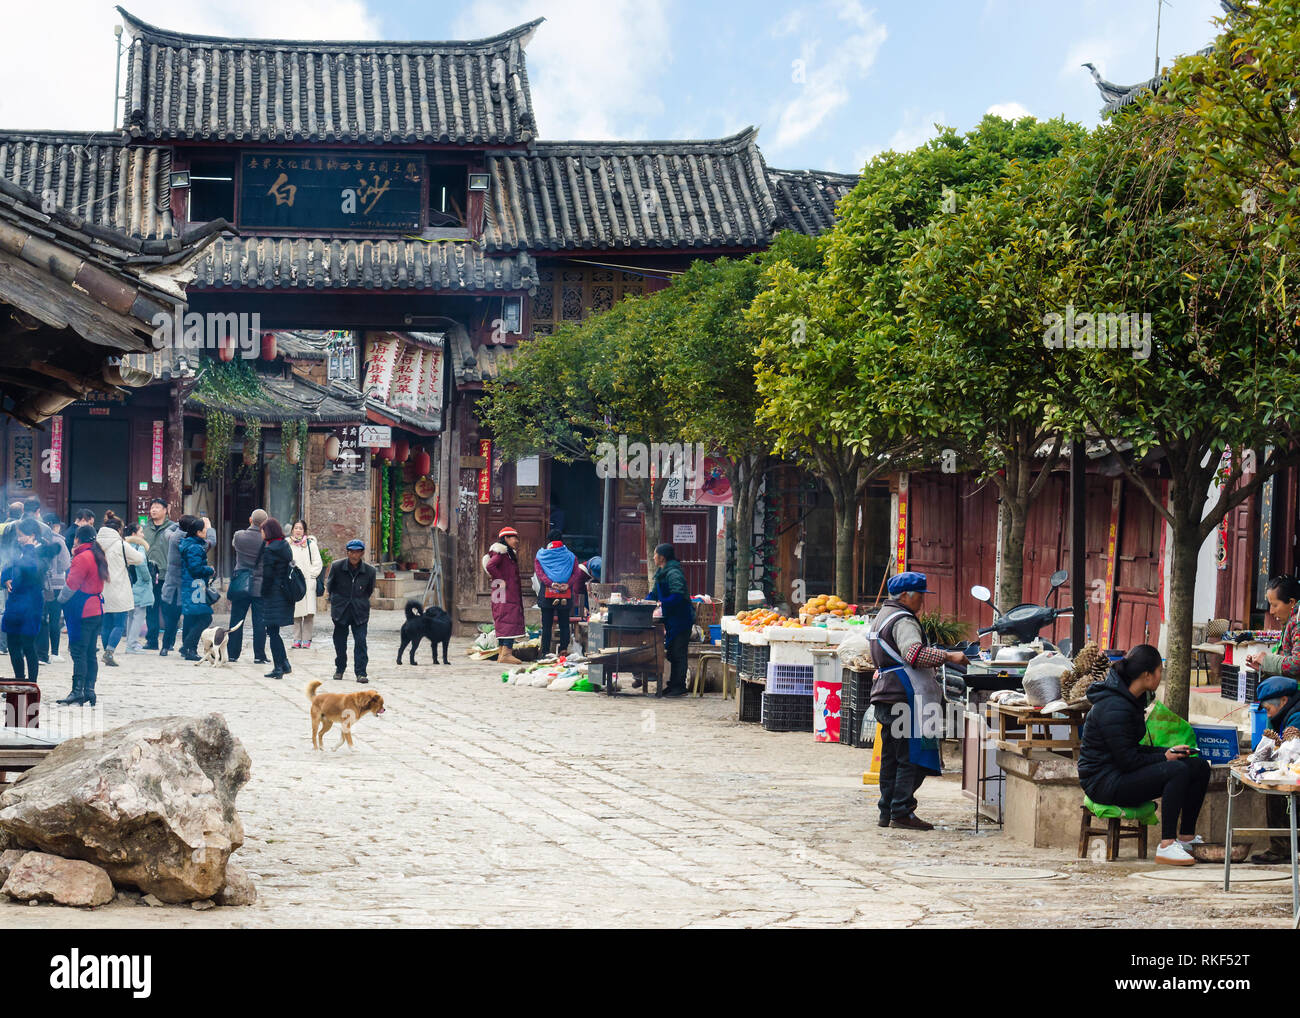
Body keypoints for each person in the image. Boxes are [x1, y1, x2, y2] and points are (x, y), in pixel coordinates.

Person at [1077, 644, 1210, 866]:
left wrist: (1169, 752)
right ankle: (1167, 844)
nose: (1161, 675)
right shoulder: (1114, 707)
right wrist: (1164, 758)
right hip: (1103, 781)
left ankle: (1186, 838)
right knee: (1176, 770)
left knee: (1198, 766)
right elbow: (1128, 760)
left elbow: (1131, 750)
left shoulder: (1131, 700)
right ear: (1147, 675)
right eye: (1160, 670)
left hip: (1119, 771)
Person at [867, 571, 964, 830]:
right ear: (907, 595)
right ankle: (901, 811)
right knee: (911, 756)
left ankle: (886, 810)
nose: (922, 600)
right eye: (920, 595)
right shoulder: (903, 620)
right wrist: (948, 656)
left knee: (891, 756)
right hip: (904, 697)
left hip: (885, 695)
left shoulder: (881, 617)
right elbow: (914, 654)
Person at [1247, 675, 1300, 864]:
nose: (1268, 714)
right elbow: (1269, 740)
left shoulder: (1296, 715)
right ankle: (1283, 845)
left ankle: (1283, 847)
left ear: (1284, 701)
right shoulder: (1279, 713)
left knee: (1279, 789)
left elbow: (1290, 750)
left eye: (1269, 709)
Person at [57, 526, 108, 706]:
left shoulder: (82, 557)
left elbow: (71, 585)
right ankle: (90, 691)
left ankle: (77, 691)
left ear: (78, 539)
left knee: (78, 652)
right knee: (90, 652)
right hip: (96, 609)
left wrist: (60, 600)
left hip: (82, 609)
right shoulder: (97, 554)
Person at [2, 518, 49, 683]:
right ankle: (19, 680)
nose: (19, 539)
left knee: (28, 645)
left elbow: (35, 572)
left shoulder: (42, 550)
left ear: (32, 535)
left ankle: (32, 682)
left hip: (31, 605)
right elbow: (7, 568)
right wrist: (5, 579)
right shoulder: (17, 549)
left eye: (22, 536)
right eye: (18, 535)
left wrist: (29, 548)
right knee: (13, 645)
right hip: (14, 604)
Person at [159, 515, 213, 656]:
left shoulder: (172, 537)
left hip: (172, 583)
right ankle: (187, 646)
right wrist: (209, 526)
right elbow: (212, 541)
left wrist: (180, 521)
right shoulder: (196, 544)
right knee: (192, 617)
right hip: (190, 584)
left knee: (172, 618)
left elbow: (167, 530)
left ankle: (165, 647)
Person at [96, 511, 144, 667]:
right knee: (119, 624)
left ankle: (106, 652)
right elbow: (139, 558)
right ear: (118, 530)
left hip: (101, 589)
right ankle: (109, 652)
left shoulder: (95, 544)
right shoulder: (121, 544)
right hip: (119, 589)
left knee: (106, 624)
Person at [327, 539, 376, 683]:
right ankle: (340, 668)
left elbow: (369, 590)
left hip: (360, 611)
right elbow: (330, 586)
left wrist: (359, 600)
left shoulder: (369, 571)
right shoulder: (337, 567)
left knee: (361, 642)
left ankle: (361, 672)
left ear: (362, 553)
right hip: (341, 610)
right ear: (347, 552)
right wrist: (337, 601)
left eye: (357, 552)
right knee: (340, 642)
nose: (354, 555)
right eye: (351, 552)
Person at [648, 543, 694, 697]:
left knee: (679, 652)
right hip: (671, 619)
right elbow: (654, 594)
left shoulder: (673, 572)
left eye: (655, 554)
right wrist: (643, 602)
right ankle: (673, 684)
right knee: (672, 652)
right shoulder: (661, 572)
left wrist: (663, 603)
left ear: (662, 557)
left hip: (681, 618)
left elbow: (678, 595)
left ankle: (679, 686)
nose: (653, 557)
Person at [227, 509, 268, 664]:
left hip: (241, 583)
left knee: (237, 619)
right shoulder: (266, 540)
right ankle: (259, 655)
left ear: (250, 519)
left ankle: (232, 653)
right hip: (259, 585)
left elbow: (234, 546)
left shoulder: (239, 536)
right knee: (259, 621)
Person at [482, 526, 525, 666]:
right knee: (508, 617)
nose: (516, 540)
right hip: (504, 592)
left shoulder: (506, 553)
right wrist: (501, 580)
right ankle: (506, 653)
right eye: (513, 537)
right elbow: (490, 566)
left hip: (500, 591)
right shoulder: (500, 553)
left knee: (503, 617)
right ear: (506, 538)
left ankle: (502, 652)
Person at [534, 529, 580, 657]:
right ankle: (563, 650)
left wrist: (550, 583)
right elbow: (576, 573)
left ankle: (545, 652)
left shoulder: (542, 555)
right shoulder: (571, 556)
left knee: (547, 625)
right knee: (564, 623)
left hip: (548, 593)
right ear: (562, 540)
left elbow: (539, 573)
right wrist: (567, 584)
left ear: (549, 540)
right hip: (565, 592)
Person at [258, 517, 294, 679]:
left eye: (262, 530)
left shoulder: (270, 549)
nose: (261, 534)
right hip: (283, 594)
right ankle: (284, 663)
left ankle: (278, 667)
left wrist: (262, 593)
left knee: (272, 632)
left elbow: (268, 576)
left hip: (273, 596)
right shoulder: (284, 546)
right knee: (274, 631)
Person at [1245, 575, 1300, 680]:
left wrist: (1267, 661)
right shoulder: (1291, 620)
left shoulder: (1298, 622)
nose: (1271, 611)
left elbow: (1297, 664)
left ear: (1291, 602)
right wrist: (1265, 667)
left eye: (1274, 605)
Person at [178, 515, 216, 662]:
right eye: (205, 529)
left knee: (190, 617)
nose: (206, 532)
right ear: (198, 532)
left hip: (191, 585)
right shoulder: (194, 547)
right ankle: (188, 646)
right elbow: (195, 568)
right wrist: (209, 570)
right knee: (205, 617)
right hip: (196, 586)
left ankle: (189, 650)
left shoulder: (189, 544)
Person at [140, 498, 173, 650]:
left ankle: (168, 642)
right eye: (152, 507)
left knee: (168, 609)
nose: (153, 510)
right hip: (149, 575)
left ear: (166, 510)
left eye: (157, 507)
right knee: (151, 608)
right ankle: (151, 640)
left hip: (167, 574)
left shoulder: (173, 528)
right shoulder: (145, 528)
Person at [38, 513, 69, 664]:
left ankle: (38, 651)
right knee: (55, 619)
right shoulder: (59, 542)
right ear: (54, 525)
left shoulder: (37, 539)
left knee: (41, 618)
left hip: (40, 584)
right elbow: (65, 564)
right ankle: (55, 652)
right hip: (56, 585)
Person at [288, 519, 323, 649]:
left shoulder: (310, 544)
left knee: (308, 613)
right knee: (296, 612)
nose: (298, 530)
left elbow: (317, 562)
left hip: (308, 581)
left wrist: (311, 576)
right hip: (295, 581)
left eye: (301, 528)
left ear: (304, 531)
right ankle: (296, 639)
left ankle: (307, 639)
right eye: (296, 528)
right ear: (292, 529)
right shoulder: (288, 544)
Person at [122, 522, 154, 654]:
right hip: (140, 585)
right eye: (141, 532)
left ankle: (130, 642)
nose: (143, 534)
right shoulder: (139, 547)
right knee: (139, 615)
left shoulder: (124, 546)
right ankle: (132, 644)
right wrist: (148, 578)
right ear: (134, 534)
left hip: (129, 585)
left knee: (131, 615)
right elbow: (142, 564)